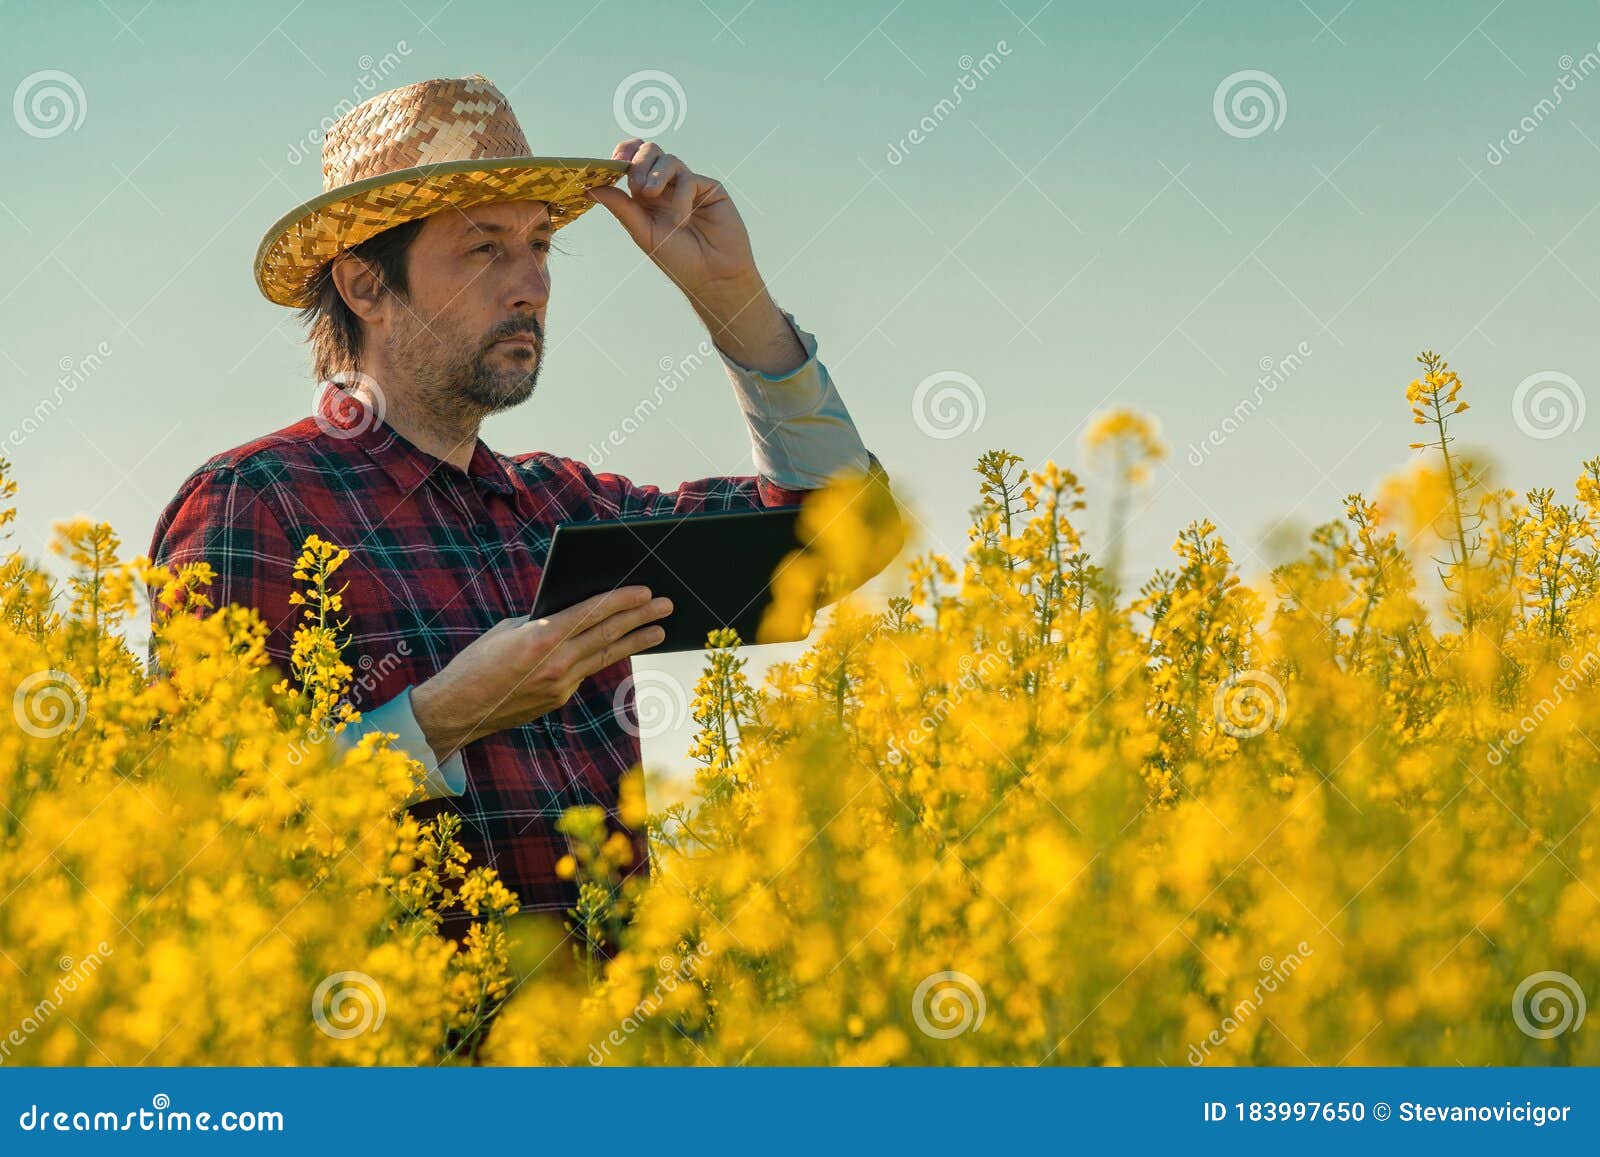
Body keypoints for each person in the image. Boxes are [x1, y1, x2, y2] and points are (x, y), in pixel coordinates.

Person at [149, 74, 893, 929]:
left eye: (540, 245)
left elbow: (840, 537)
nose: (532, 284)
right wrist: (439, 720)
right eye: (483, 249)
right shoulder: (257, 503)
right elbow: (193, 848)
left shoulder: (561, 504)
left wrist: (732, 297)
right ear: (363, 286)